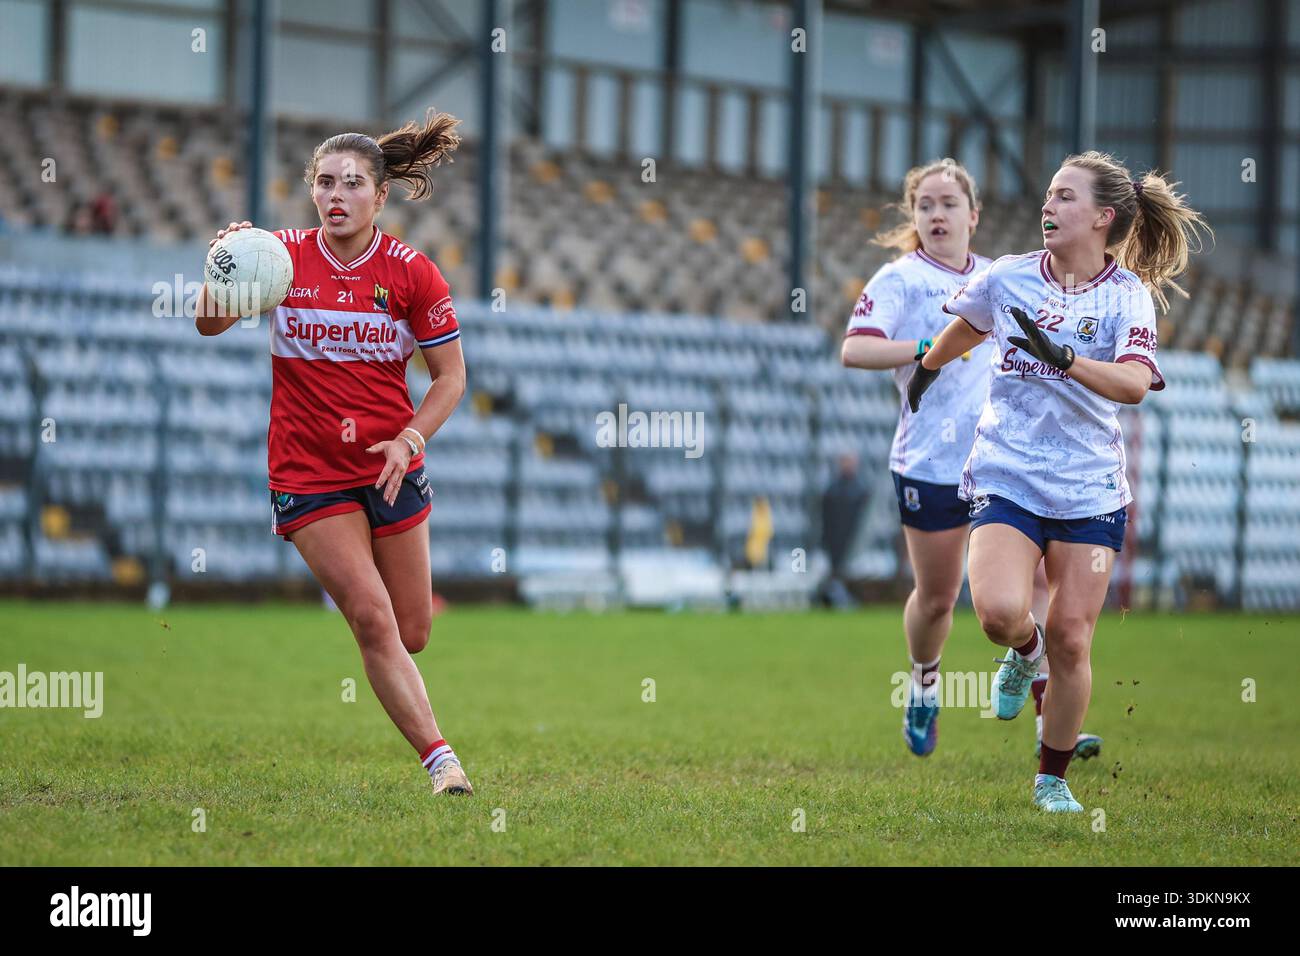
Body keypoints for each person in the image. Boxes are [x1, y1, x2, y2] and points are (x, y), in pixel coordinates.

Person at [908, 150, 1209, 811]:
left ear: (1103, 217)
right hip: (1007, 474)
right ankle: (1022, 652)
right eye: (1049, 194)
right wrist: (927, 367)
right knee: (996, 615)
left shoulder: (1127, 296)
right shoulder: (1011, 277)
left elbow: (1134, 384)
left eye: (1065, 197)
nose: (1049, 205)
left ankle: (1051, 782)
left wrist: (1068, 360)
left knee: (1075, 636)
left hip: (1091, 492)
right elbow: (966, 328)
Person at [194, 109, 474, 797]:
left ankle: (422, 725)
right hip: (307, 472)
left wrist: (410, 439)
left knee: (412, 630)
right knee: (370, 616)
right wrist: (225, 263)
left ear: (381, 197)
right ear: (311, 191)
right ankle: (443, 764)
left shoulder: (413, 275)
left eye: (352, 184)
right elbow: (207, 322)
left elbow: (452, 378)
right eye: (324, 183)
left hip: (390, 464)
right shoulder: (277, 259)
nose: (336, 196)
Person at [843, 159, 1100, 760]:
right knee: (937, 599)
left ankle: (1048, 722)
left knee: (1037, 586)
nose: (936, 214)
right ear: (914, 217)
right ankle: (926, 681)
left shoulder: (1002, 277)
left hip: (1003, 464)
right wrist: (928, 348)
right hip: (930, 462)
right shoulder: (899, 279)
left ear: (973, 215)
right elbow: (855, 350)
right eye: (925, 205)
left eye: (948, 204)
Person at [820, 454, 868, 608]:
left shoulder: (860, 489)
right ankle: (836, 597)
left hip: (852, 539)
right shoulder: (833, 490)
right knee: (837, 570)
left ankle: (845, 596)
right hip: (835, 539)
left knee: (850, 571)